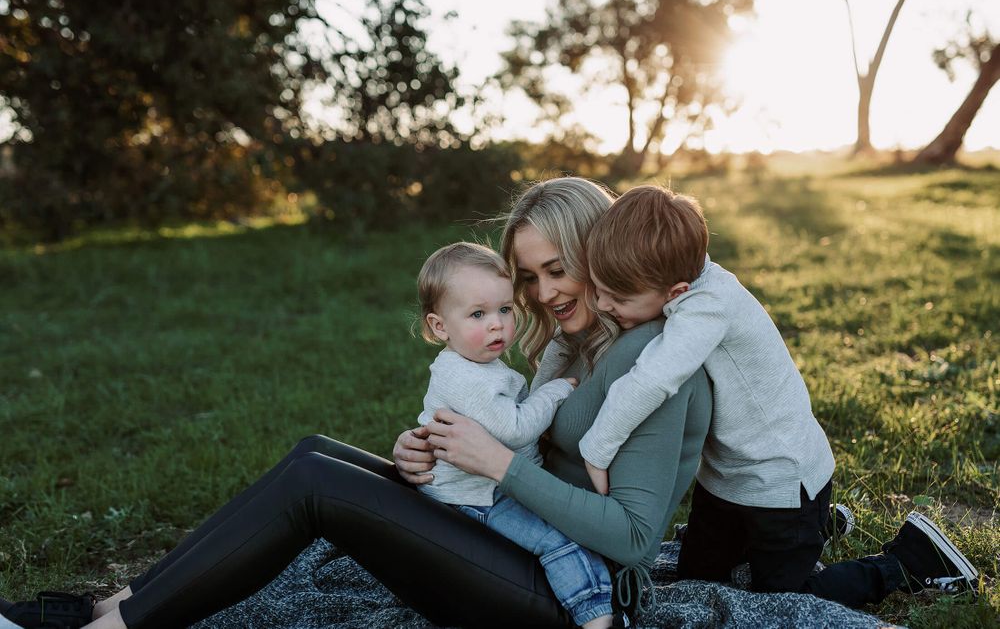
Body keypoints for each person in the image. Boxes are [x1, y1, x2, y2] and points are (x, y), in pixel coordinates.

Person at [15, 176, 711, 629]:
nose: (541, 293)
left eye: (557, 270)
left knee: (316, 487)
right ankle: (117, 603)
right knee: (313, 454)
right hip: (512, 538)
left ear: (601, 254)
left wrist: (500, 463)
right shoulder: (568, 346)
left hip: (574, 596)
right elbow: (526, 454)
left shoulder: (652, 362)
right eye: (528, 276)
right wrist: (428, 457)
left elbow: (634, 539)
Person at [578, 184, 980, 607]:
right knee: (697, 577)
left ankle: (911, 560)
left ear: (676, 291)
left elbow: (651, 380)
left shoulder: (707, 307)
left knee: (784, 601)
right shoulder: (682, 283)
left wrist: (597, 447)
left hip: (781, 485)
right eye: (599, 288)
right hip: (725, 482)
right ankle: (815, 530)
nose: (602, 304)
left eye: (618, 297)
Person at [413, 241, 614, 629]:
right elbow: (515, 427)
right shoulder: (461, 374)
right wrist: (555, 392)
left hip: (487, 485)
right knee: (557, 540)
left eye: (505, 309)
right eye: (477, 314)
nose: (497, 324)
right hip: (477, 496)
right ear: (440, 326)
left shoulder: (476, 366)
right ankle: (595, 616)